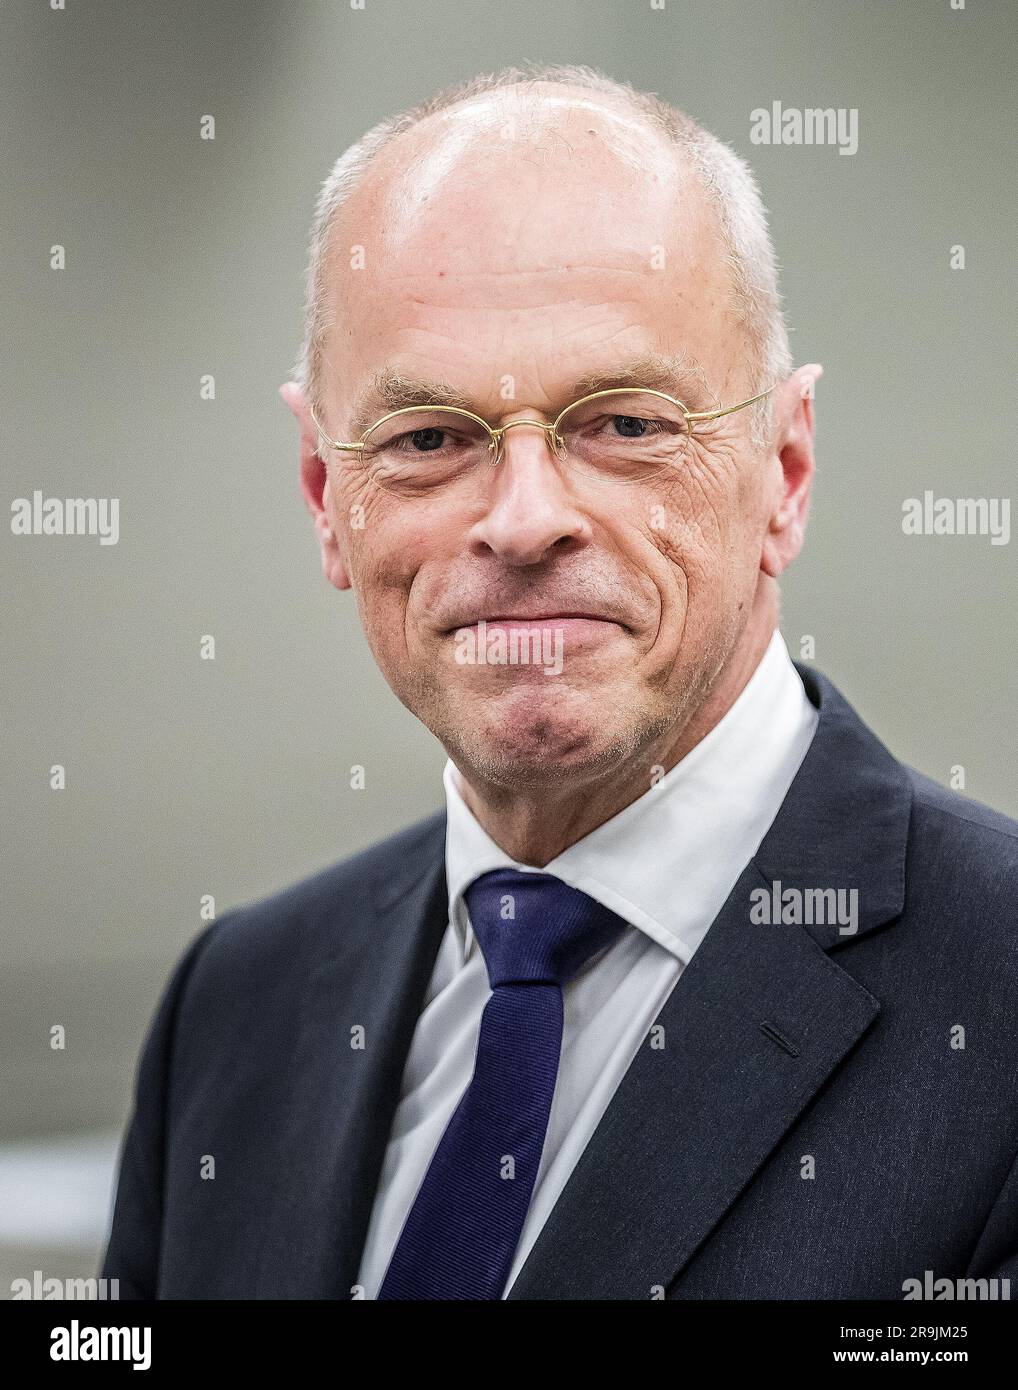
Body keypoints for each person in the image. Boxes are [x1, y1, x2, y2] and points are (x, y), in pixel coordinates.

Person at [101, 65, 1018, 1301]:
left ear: (784, 471)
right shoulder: (238, 1006)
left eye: (625, 423)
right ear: (328, 498)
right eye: (427, 438)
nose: (524, 521)